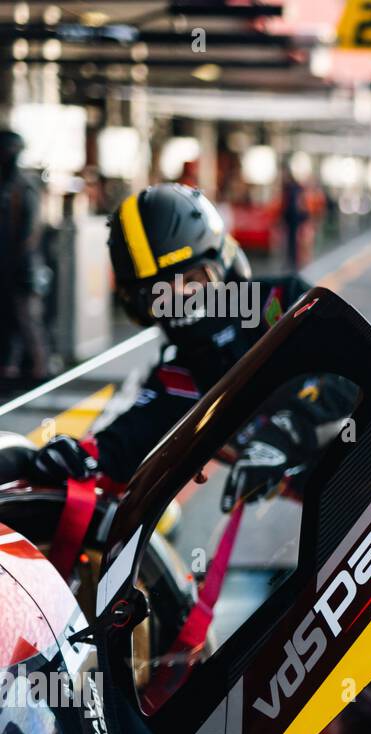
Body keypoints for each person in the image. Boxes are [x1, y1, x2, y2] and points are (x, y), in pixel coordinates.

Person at [24, 183, 347, 509]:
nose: (182, 299)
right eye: (160, 291)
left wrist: (285, 432)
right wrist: (76, 457)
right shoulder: (180, 376)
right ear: (139, 306)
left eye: (193, 280)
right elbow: (127, 441)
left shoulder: (282, 302)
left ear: (222, 263)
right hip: (330, 519)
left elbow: (350, 368)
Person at [0, 128, 49, 382]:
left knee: (27, 319)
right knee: (7, 320)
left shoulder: (24, 186)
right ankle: (10, 367)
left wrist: (20, 261)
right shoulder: (7, 184)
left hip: (23, 267)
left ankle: (38, 369)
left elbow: (30, 231)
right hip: (6, 264)